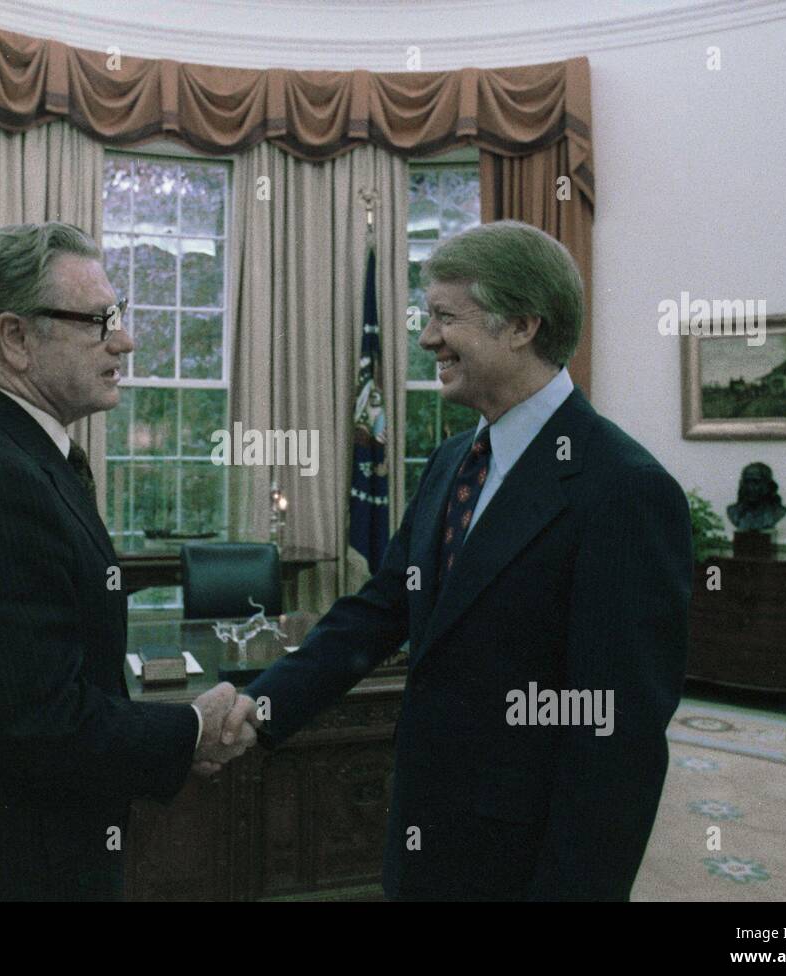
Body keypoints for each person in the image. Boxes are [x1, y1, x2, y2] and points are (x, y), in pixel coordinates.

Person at [244, 220, 693, 900]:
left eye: (445, 317)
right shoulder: (455, 459)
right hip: (423, 836)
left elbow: (616, 736)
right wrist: (259, 708)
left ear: (521, 325)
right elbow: (380, 610)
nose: (427, 339)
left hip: (521, 859)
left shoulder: (623, 489)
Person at [0, 222, 255, 901]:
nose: (124, 339)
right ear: (15, 338)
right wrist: (190, 728)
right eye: (100, 320)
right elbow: (40, 725)